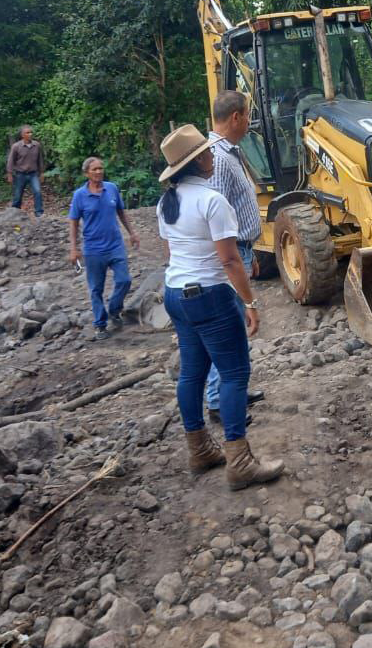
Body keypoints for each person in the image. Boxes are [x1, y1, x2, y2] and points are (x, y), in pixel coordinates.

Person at [158, 124, 284, 490]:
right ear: (197, 160)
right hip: (210, 295)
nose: (212, 155)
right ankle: (239, 462)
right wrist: (250, 301)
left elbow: (170, 252)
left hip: (176, 293)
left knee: (191, 374)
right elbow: (230, 262)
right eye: (207, 152)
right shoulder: (212, 201)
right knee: (233, 375)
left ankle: (200, 450)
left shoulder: (167, 202)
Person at [204, 91, 265, 423]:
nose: (249, 121)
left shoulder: (228, 154)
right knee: (228, 328)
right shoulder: (217, 158)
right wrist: (234, 258)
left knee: (236, 328)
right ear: (236, 118)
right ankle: (218, 401)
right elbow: (216, 215)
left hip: (241, 249)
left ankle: (234, 391)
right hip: (230, 253)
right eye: (247, 115)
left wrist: (249, 252)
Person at [68, 157, 140, 340]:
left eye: (101, 168)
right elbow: (74, 223)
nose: (99, 172)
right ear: (87, 173)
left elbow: (121, 212)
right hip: (93, 249)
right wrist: (74, 248)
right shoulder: (79, 195)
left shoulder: (112, 188)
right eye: (94, 169)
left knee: (124, 280)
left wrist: (132, 233)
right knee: (95, 289)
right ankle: (100, 325)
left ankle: (114, 310)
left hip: (115, 245)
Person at [7, 125, 46, 217]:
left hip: (33, 174)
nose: (30, 134)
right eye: (27, 133)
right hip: (20, 174)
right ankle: (15, 212)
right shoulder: (16, 146)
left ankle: (39, 212)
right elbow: (11, 160)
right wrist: (9, 174)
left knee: (37, 192)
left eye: (31, 132)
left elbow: (40, 160)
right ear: (22, 135)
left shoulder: (36, 145)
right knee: (18, 194)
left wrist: (42, 173)